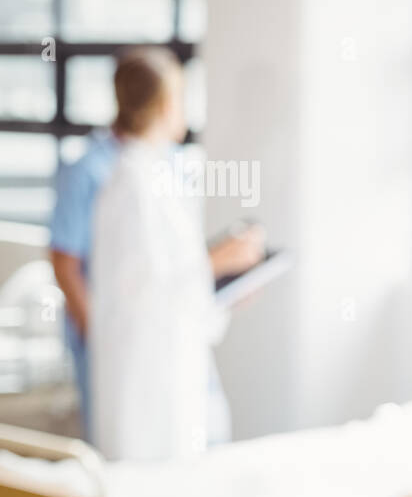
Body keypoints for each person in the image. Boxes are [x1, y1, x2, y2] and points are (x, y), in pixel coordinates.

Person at [48, 47, 262, 444]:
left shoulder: (160, 172)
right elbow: (142, 287)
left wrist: (226, 286)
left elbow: (172, 280)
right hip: (142, 367)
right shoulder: (128, 183)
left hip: (169, 357)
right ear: (165, 105)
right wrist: (216, 262)